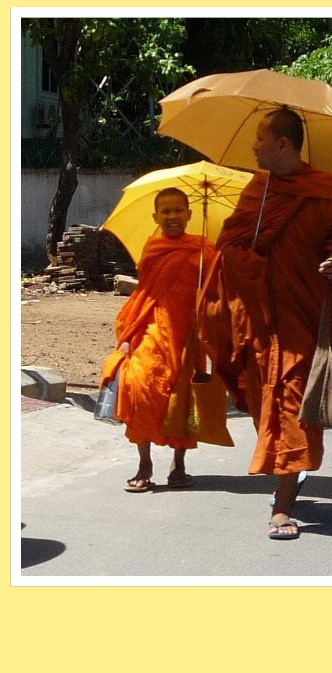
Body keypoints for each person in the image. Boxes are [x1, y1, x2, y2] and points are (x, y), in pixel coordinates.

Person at [208, 108, 332, 540]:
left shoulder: (326, 190)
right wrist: (249, 261)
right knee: (266, 403)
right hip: (259, 318)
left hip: (305, 318)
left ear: (282, 143)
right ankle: (287, 472)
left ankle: (282, 504)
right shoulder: (257, 191)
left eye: (260, 138)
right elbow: (228, 243)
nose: (253, 147)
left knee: (294, 403)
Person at [103, 187, 215, 492]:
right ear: (156, 217)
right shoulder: (153, 249)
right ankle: (144, 463)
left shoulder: (204, 250)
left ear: (189, 214)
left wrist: (206, 295)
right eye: (166, 211)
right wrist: (129, 335)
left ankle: (178, 465)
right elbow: (143, 294)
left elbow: (217, 293)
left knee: (182, 399)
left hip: (188, 335)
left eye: (178, 210)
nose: (172, 216)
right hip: (150, 331)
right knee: (139, 388)